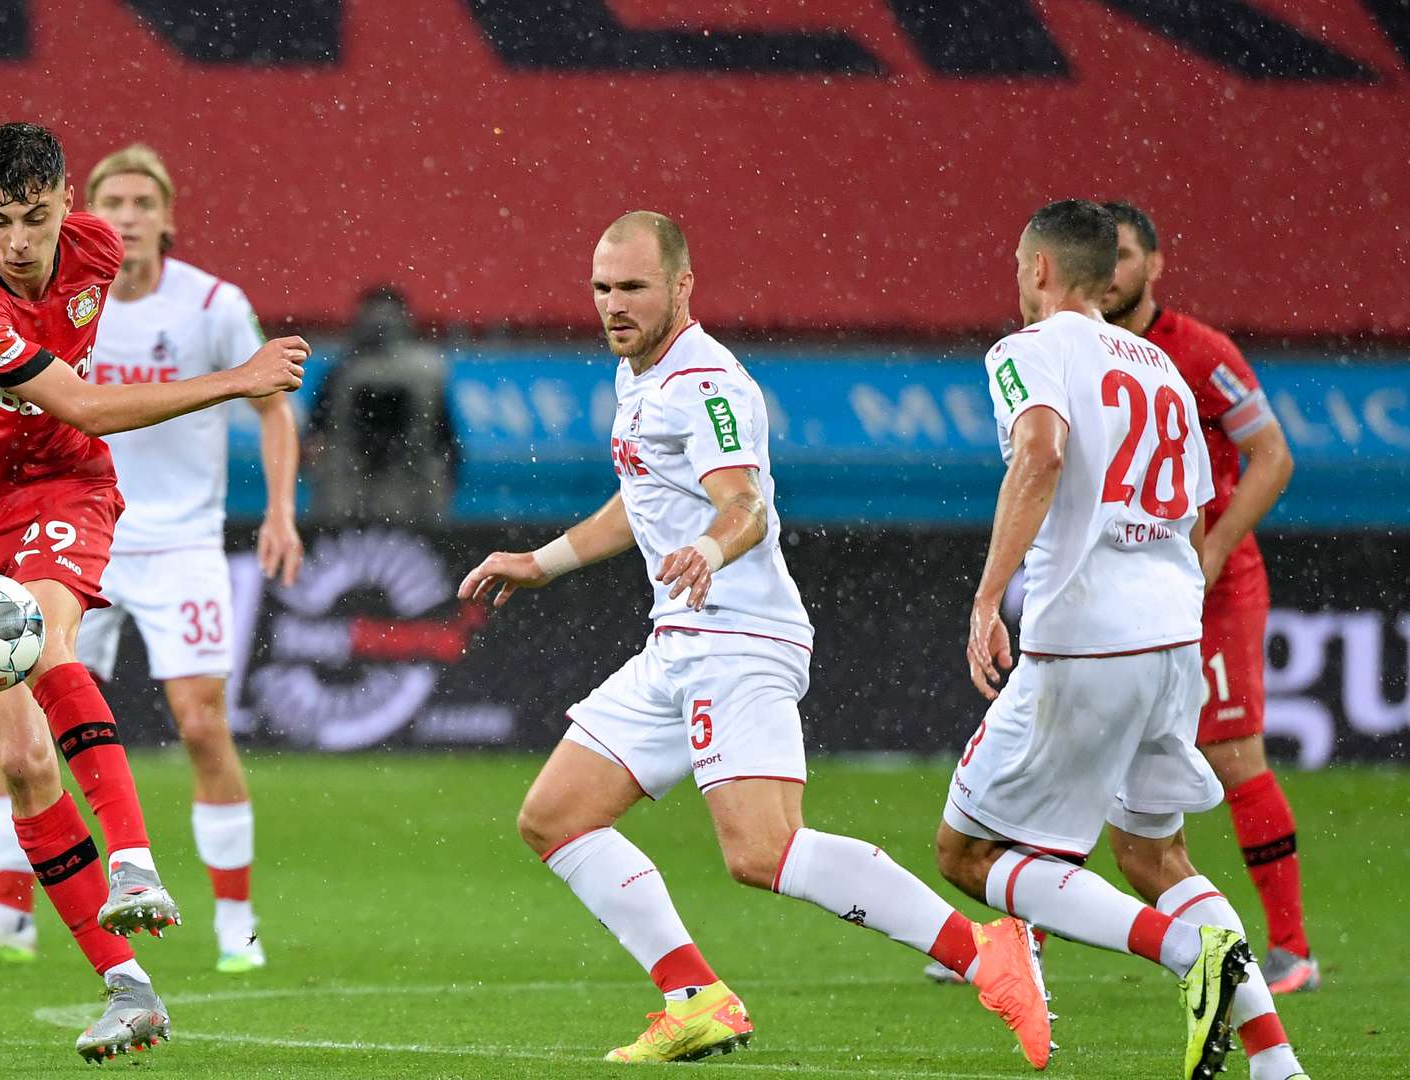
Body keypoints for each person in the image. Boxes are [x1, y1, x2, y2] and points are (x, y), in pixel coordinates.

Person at [457, 211, 1052, 1067]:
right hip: (680, 640)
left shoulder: (706, 385)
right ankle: (694, 998)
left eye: (634, 287)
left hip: (737, 637)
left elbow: (744, 503)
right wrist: (542, 562)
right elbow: (645, 497)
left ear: (683, 286)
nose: (614, 305)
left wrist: (708, 544)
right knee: (555, 818)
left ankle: (982, 952)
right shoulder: (641, 377)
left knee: (763, 850)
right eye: (602, 288)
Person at [0, 120, 306, 1061]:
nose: (16, 240)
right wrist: (236, 380)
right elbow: (84, 398)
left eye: (34, 217)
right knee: (21, 762)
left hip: (64, 487)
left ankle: (134, 865)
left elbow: (81, 428)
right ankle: (129, 989)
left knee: (51, 650)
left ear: (64, 208)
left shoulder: (96, 245)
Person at [933, 199, 1307, 1080]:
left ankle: (1189, 957)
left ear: (1037, 271)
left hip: (1086, 638)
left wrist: (991, 595)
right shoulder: (1161, 365)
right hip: (1173, 635)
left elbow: (1041, 452)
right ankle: (1276, 1063)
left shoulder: (1029, 350)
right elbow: (1185, 505)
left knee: (970, 853)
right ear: (1110, 275)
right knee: (1152, 852)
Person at [1102, 201, 1315, 992]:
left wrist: (1218, 547)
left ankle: (1291, 951)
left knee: (1232, 758)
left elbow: (1272, 455)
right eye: (1103, 254)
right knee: (1077, 748)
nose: (1113, 268)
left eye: (1125, 254)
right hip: (1124, 585)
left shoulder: (1200, 353)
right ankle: (1031, 935)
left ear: (1155, 264)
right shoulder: (1085, 350)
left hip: (1211, 589)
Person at [305, 285, 459, 524]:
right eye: (375, 319)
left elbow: (445, 442)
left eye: (386, 319)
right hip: (357, 490)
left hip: (403, 489)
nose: (380, 327)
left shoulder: (343, 373)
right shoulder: (342, 374)